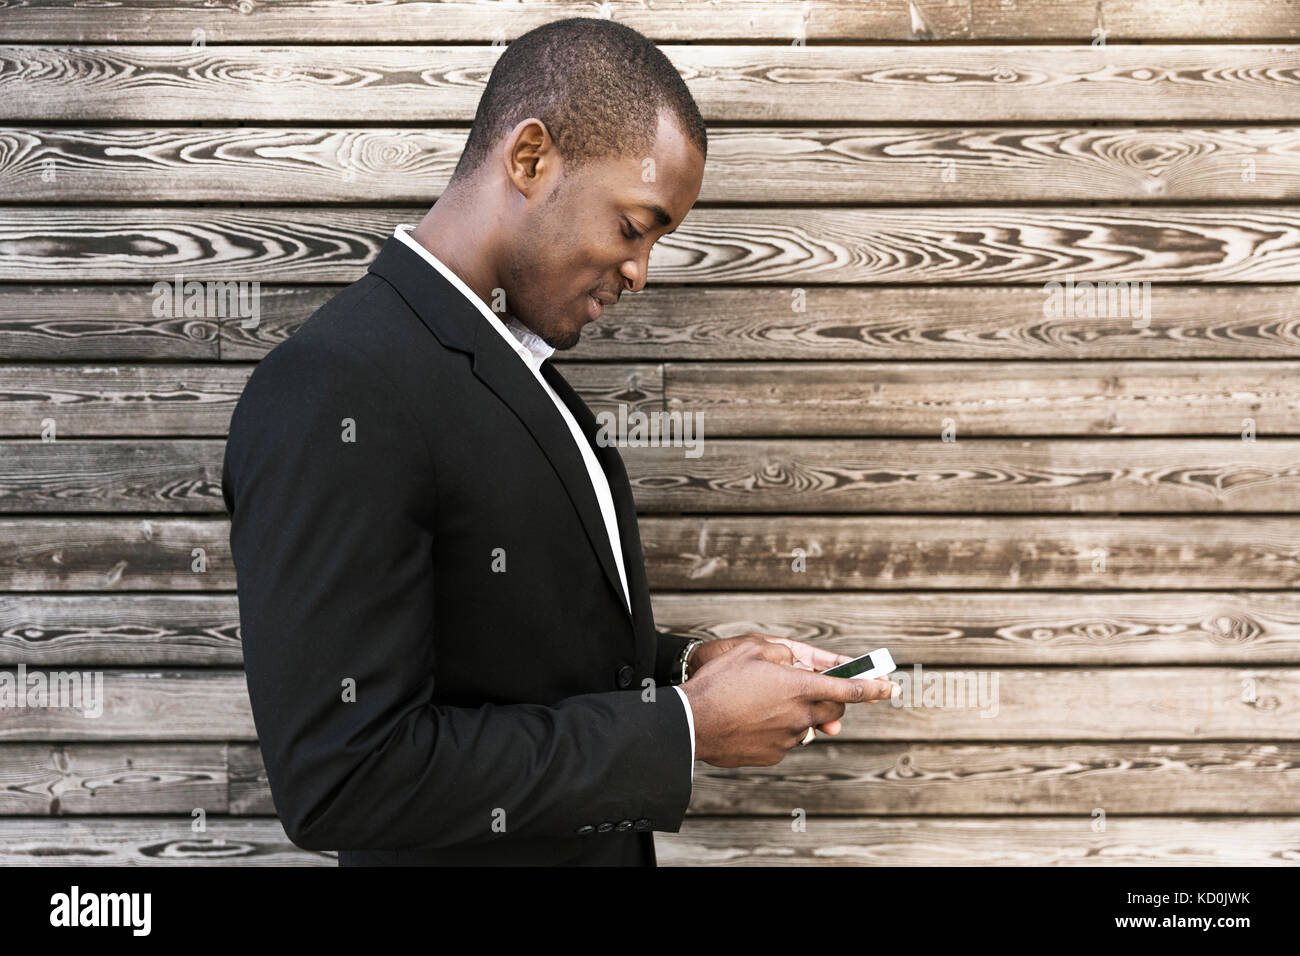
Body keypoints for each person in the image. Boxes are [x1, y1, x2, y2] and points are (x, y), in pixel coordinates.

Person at [222, 16, 897, 867]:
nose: (641, 271)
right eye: (633, 226)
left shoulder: (505, 366)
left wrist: (694, 667)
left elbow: (515, 646)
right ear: (531, 159)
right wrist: (683, 731)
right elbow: (345, 779)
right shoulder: (337, 385)